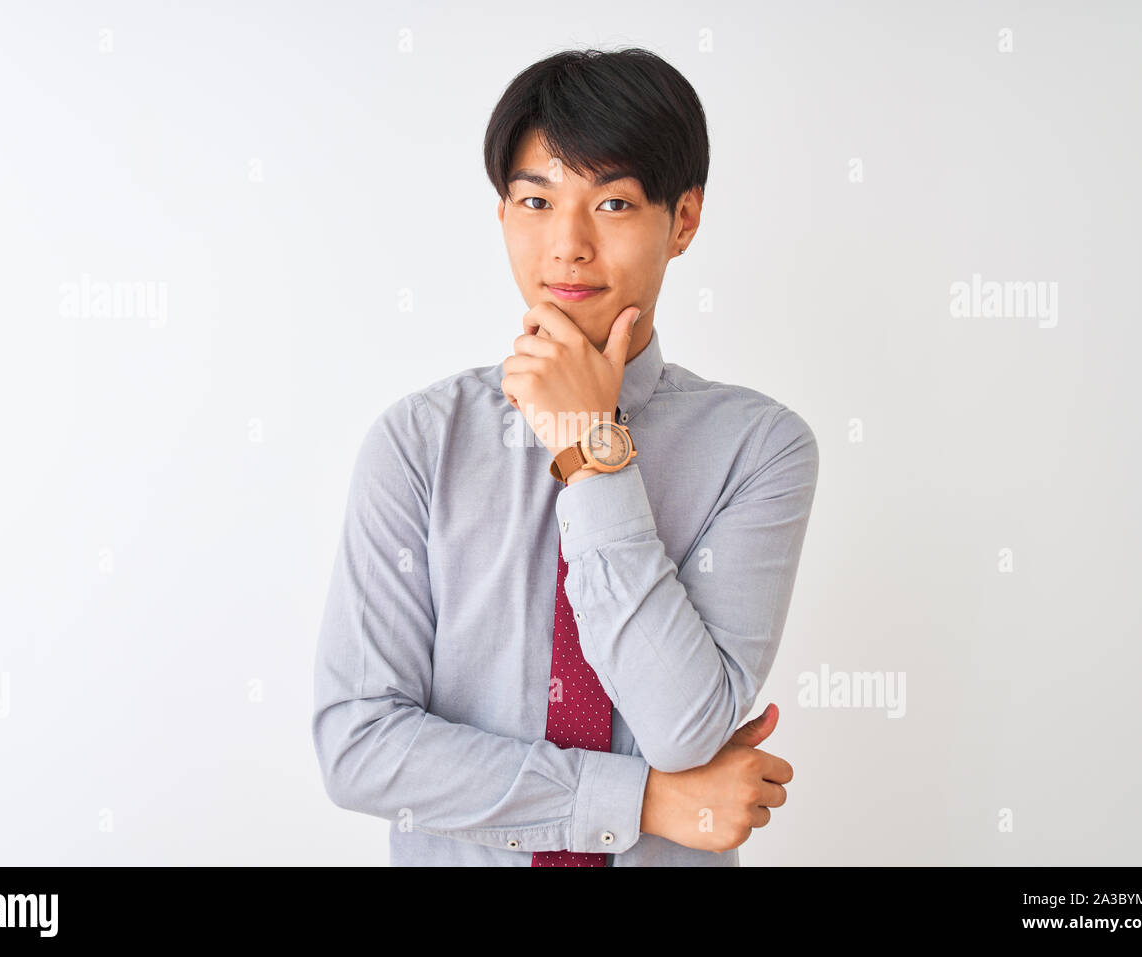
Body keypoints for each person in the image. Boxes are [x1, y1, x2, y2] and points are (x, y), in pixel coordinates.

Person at [312, 46, 819, 866]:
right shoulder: (417, 442)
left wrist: (594, 453)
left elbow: (684, 727)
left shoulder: (759, 448)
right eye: (537, 200)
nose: (568, 245)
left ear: (683, 219)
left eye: (613, 202)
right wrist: (645, 798)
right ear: (504, 214)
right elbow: (360, 745)